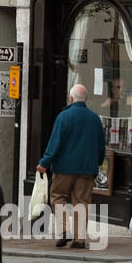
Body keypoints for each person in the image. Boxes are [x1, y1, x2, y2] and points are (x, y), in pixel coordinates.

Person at [37, 84, 106, 249]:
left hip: (64, 168)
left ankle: (64, 231)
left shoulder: (64, 117)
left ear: (71, 98)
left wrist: (44, 162)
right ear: (86, 99)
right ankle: (79, 239)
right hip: (87, 169)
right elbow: (101, 146)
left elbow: (55, 143)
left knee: (58, 197)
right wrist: (96, 163)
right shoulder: (95, 118)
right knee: (81, 202)